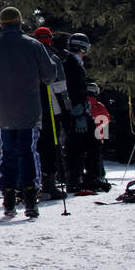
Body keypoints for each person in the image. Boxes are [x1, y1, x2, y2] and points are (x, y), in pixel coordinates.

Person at [0, 6, 57, 218]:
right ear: (20, 22)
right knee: (28, 153)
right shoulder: (33, 45)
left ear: (2, 24)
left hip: (3, 110)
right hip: (29, 110)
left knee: (8, 154)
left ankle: (9, 199)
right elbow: (49, 76)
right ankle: (30, 200)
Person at [31, 27, 69, 198]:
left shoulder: (27, 54)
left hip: (28, 108)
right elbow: (60, 86)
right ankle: (49, 183)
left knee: (32, 146)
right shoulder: (52, 56)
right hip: (50, 107)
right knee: (49, 145)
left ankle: (30, 182)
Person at [60, 33, 93, 192]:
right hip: (75, 113)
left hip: (78, 111)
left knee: (85, 145)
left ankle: (81, 178)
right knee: (76, 147)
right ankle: (74, 181)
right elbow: (74, 89)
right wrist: (78, 111)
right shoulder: (71, 64)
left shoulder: (74, 63)